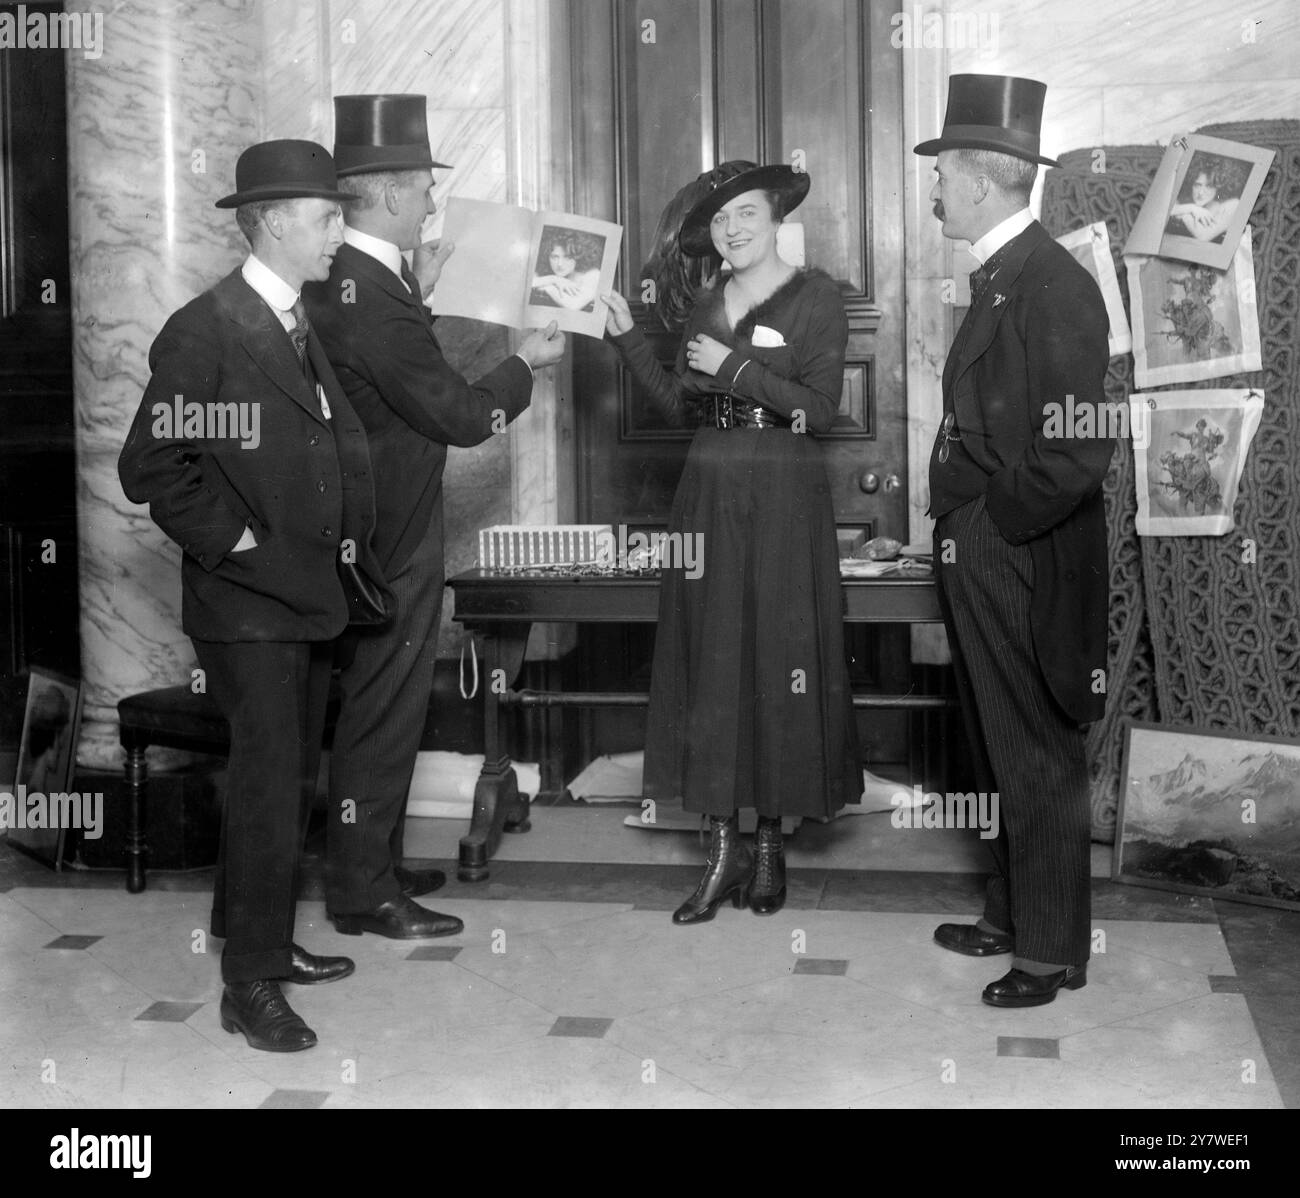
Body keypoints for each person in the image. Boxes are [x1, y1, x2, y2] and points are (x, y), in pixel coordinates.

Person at [119, 140, 385, 1051]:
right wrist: (238, 543)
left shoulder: (293, 319)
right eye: (326, 218)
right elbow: (151, 465)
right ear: (272, 221)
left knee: (286, 780)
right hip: (248, 606)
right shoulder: (208, 328)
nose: (339, 237)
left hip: (305, 597)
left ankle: (257, 936)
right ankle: (250, 987)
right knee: (272, 787)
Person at [303, 94, 565, 940]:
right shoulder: (372, 294)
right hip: (394, 531)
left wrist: (427, 284)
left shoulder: (363, 277)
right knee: (385, 705)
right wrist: (526, 364)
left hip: (371, 519)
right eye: (422, 191)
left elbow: (391, 373)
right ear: (383, 195)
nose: (430, 206)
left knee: (382, 703)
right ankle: (362, 891)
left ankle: (365, 862)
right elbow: (453, 414)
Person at [604, 161, 862, 924]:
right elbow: (681, 404)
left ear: (776, 214)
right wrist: (625, 340)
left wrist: (738, 367)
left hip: (785, 488)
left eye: (746, 214)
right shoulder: (708, 302)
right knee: (714, 657)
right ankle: (722, 851)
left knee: (780, 655)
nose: (733, 230)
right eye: (720, 222)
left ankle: (771, 849)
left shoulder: (820, 298)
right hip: (710, 486)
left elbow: (820, 408)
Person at [915, 74, 1114, 1007]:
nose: (935, 190)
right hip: (989, 542)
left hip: (1018, 550)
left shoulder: (1055, 284)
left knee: (1034, 747)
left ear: (984, 180)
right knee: (1000, 741)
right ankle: (1012, 911)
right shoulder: (1006, 274)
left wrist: (994, 523)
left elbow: (1077, 445)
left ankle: (1048, 952)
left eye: (944, 173)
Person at [1166, 156, 1244, 242]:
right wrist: (1191, 208)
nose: (1201, 193)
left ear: (1219, 186)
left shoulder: (1232, 205)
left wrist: (1183, 213)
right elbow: (1160, 210)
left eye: (1209, 186)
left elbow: (1204, 236)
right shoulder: (1190, 202)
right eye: (1197, 185)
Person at [530, 232, 602, 310]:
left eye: (567, 257)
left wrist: (547, 286)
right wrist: (553, 279)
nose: (560, 264)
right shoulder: (548, 272)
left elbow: (574, 305)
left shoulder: (593, 275)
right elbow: (523, 283)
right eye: (554, 257)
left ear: (579, 256)